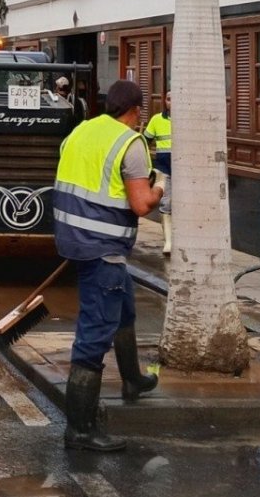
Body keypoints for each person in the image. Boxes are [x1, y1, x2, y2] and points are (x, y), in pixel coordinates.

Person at [53, 79, 165, 452]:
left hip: (75, 240)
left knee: (124, 308)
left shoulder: (81, 131)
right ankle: (80, 430)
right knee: (95, 332)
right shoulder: (130, 144)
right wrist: (160, 188)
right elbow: (141, 204)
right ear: (135, 111)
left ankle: (132, 378)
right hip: (103, 248)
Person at [144, 91, 173, 255]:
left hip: (185, 171)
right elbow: (145, 142)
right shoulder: (156, 120)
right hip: (164, 169)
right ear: (165, 101)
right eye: (169, 99)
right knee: (166, 204)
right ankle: (168, 242)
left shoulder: (187, 121)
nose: (171, 102)